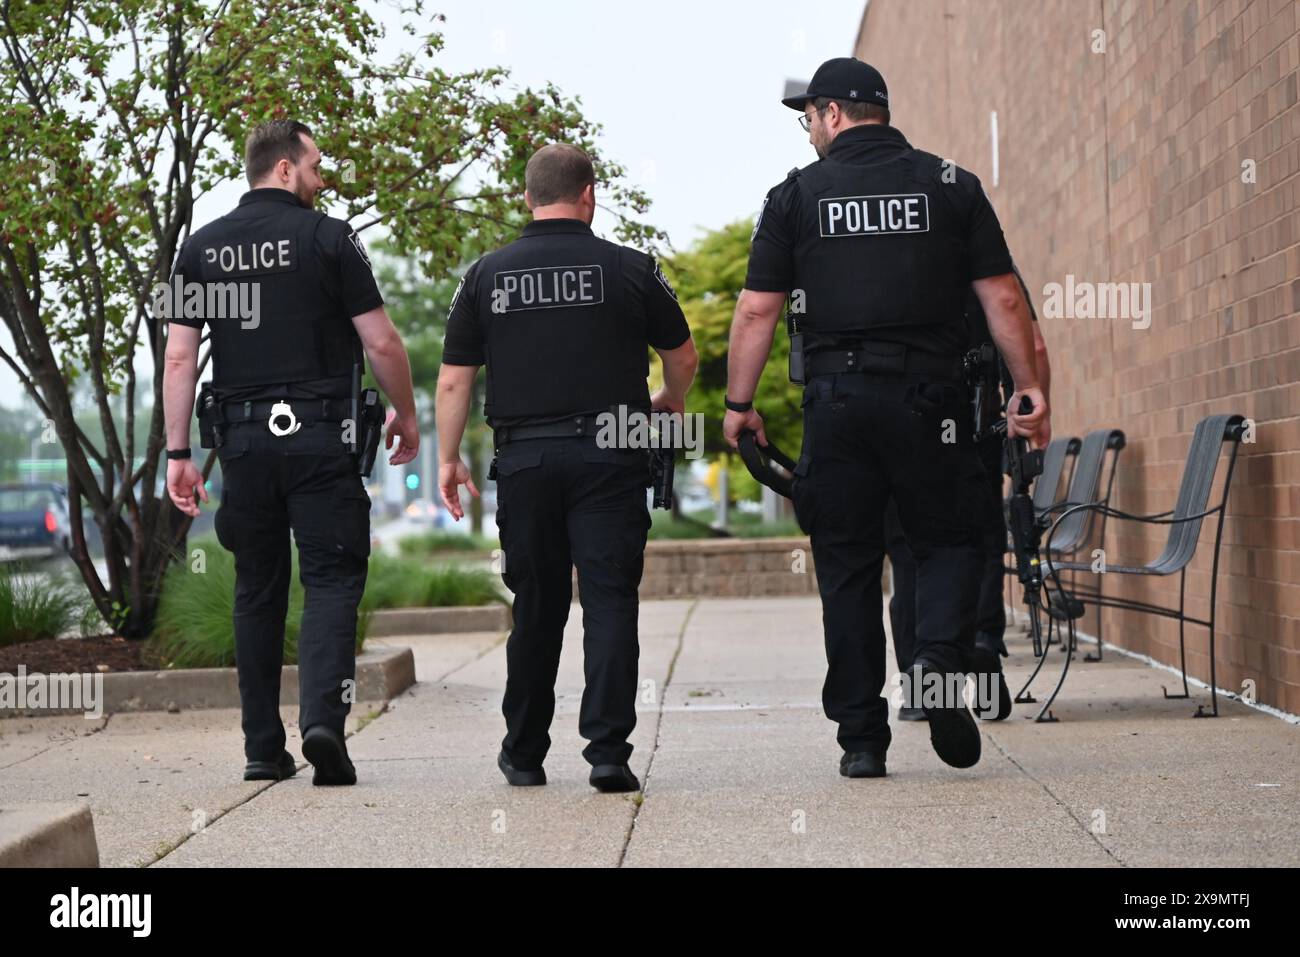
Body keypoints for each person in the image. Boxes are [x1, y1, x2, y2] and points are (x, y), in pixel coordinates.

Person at [723, 58, 1049, 779]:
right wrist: (1026, 387)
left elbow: (757, 310)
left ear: (835, 113)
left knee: (846, 566)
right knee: (945, 541)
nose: (808, 130)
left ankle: (862, 740)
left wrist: (739, 407)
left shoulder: (796, 196)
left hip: (837, 408)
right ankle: (934, 661)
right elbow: (1002, 298)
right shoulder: (952, 185)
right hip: (934, 407)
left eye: (810, 116)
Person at [163, 119, 420, 785]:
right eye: (314, 164)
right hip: (321, 439)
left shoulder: (200, 247)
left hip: (243, 446)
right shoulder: (330, 237)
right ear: (283, 168)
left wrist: (177, 451)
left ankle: (260, 747)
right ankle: (323, 724)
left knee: (257, 587)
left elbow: (179, 356)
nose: (321, 176)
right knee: (332, 578)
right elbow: (383, 344)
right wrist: (407, 416)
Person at [435, 144, 698, 793]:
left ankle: (523, 752)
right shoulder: (630, 269)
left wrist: (447, 458)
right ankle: (608, 751)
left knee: (538, 605)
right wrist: (670, 399)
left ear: (527, 197)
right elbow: (683, 352)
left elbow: (453, 381)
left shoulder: (485, 276)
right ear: (590, 195)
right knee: (609, 599)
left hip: (525, 458)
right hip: (612, 452)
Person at [888, 266, 1053, 722]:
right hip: (974, 426)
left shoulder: (882, 245)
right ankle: (981, 653)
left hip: (897, 425)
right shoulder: (981, 251)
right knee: (976, 545)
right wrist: (1036, 411)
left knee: (908, 557)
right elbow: (1032, 344)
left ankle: (922, 689)